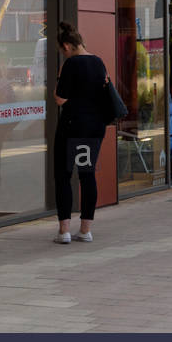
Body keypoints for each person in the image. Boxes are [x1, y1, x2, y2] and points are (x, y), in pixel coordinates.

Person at [52, 22, 113, 244]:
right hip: (94, 128)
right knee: (87, 175)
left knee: (64, 176)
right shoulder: (98, 62)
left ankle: (64, 232)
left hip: (71, 127)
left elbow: (60, 98)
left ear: (66, 46)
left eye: (61, 50)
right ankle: (85, 230)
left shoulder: (70, 64)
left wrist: (60, 78)